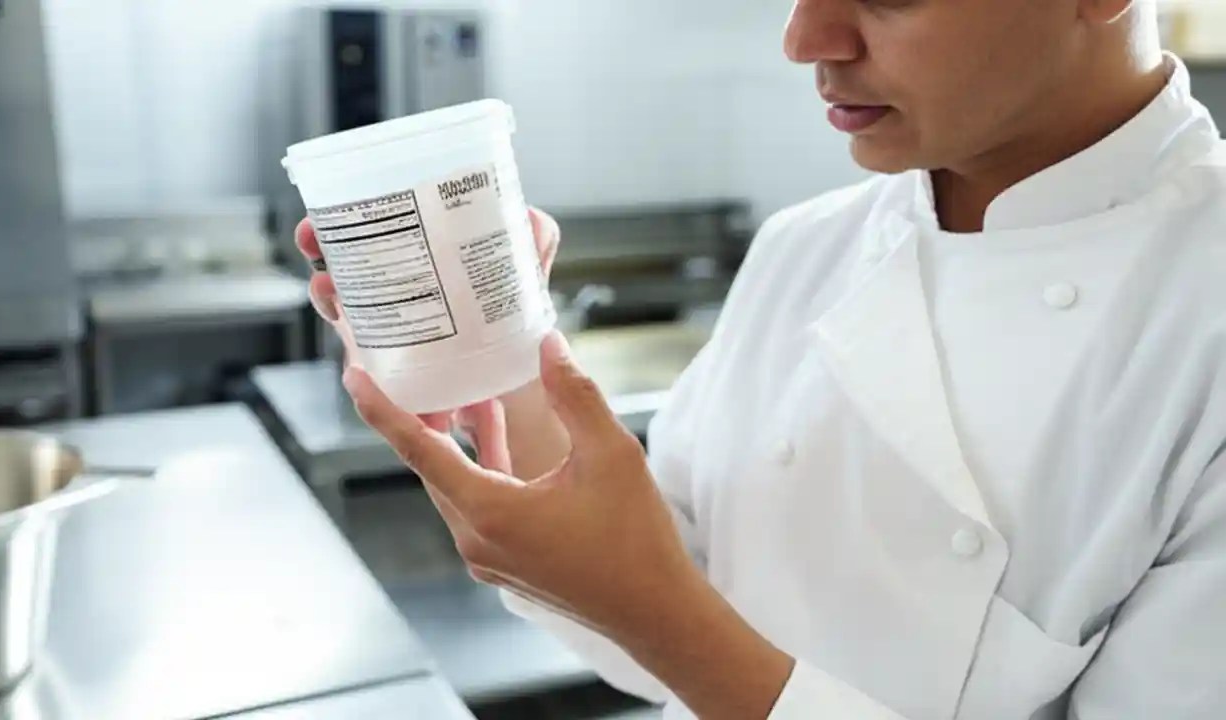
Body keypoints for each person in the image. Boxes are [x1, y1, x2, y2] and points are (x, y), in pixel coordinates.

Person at [295, 0, 1226, 717]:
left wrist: (662, 618)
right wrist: (503, 370)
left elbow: (668, 619)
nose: (805, 39)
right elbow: (655, 614)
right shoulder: (806, 246)